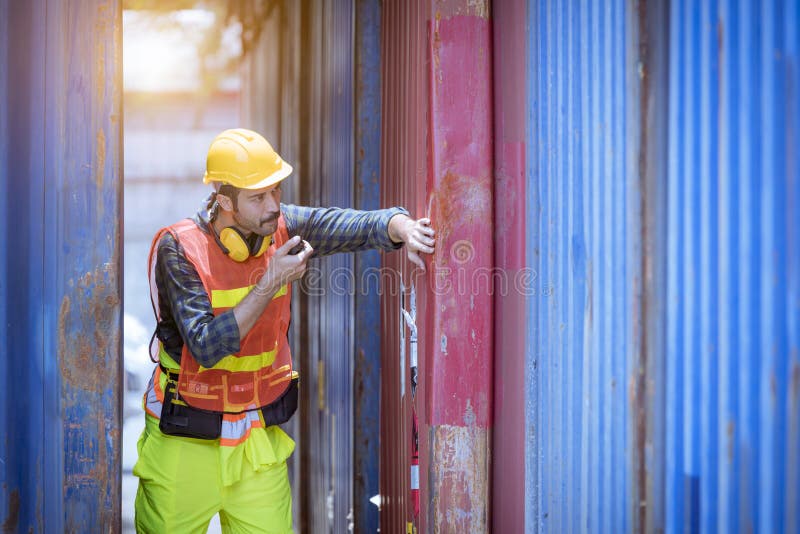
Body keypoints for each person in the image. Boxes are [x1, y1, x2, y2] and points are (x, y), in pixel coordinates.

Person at [133, 128, 435, 533]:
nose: (273, 205)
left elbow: (340, 225)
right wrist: (271, 280)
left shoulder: (278, 225)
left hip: (255, 441)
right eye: (258, 198)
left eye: (275, 191)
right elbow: (206, 346)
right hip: (184, 437)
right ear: (224, 201)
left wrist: (399, 226)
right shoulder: (179, 250)